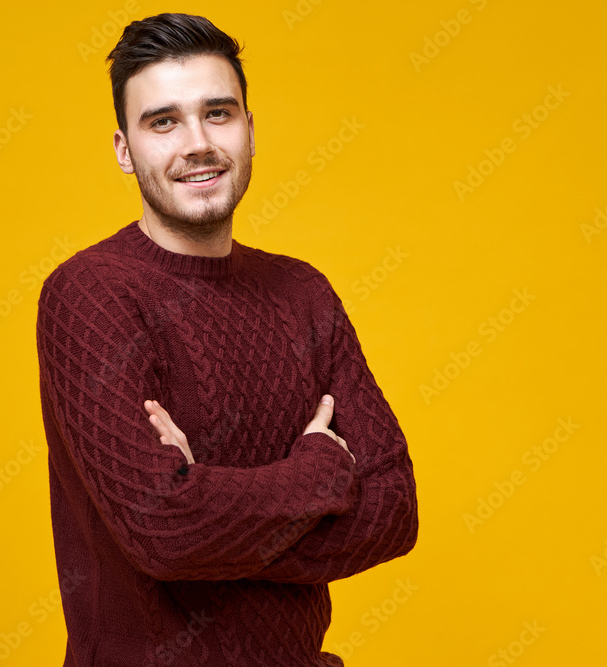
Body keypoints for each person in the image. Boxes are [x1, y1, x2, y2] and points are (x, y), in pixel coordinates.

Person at [35, 12, 418, 666]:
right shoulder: (91, 294)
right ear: (125, 150)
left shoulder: (304, 292)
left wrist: (203, 498)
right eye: (163, 122)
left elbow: (393, 512)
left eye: (219, 113)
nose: (198, 143)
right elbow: (163, 532)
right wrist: (321, 473)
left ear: (249, 129)